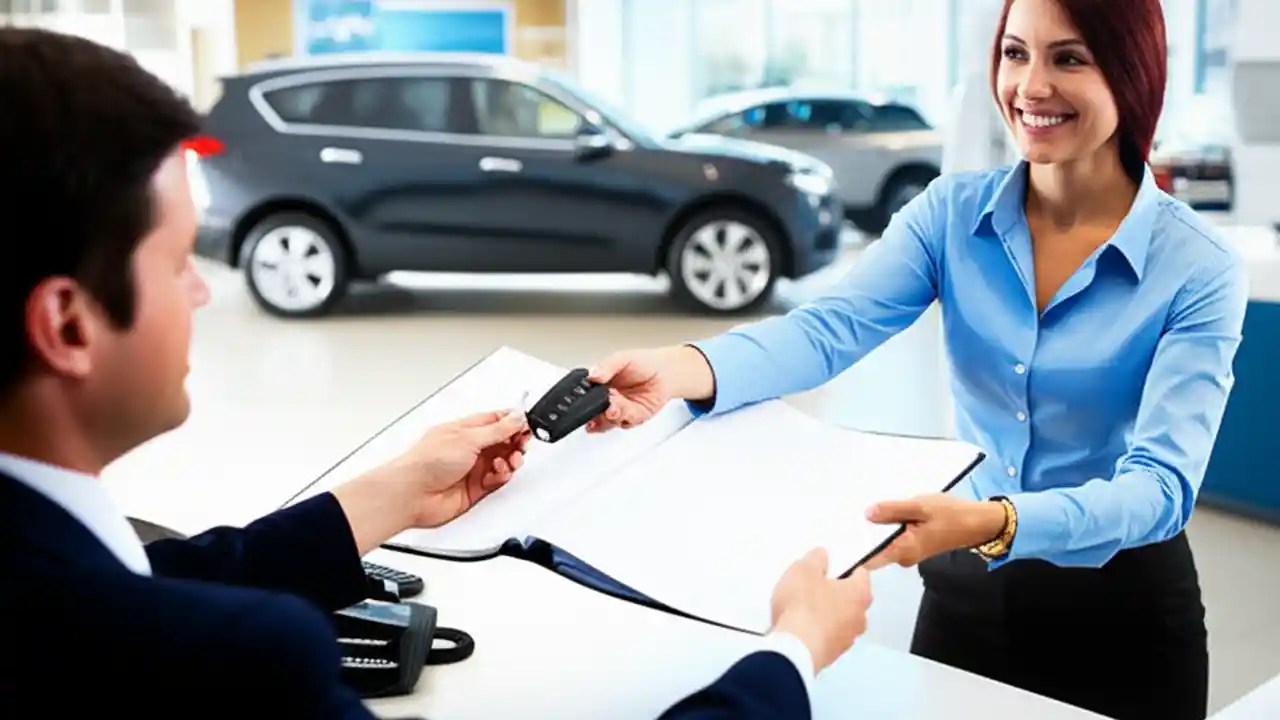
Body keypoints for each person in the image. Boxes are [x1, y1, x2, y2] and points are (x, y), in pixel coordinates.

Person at [0, 27, 872, 719]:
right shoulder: (241, 663)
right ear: (68, 324)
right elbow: (152, 618)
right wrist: (789, 654)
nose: (201, 293)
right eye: (179, 260)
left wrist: (395, 493)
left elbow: (150, 583)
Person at [584, 1, 1246, 719]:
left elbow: (1161, 487)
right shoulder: (952, 215)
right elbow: (830, 328)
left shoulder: (1196, 266)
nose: (1029, 86)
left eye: (1069, 58)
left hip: (1124, 611)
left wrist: (993, 522)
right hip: (966, 594)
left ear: (1133, 73)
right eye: (1015, 53)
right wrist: (682, 367)